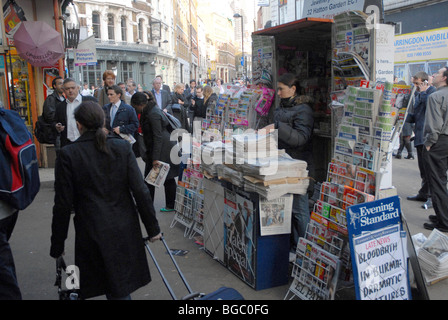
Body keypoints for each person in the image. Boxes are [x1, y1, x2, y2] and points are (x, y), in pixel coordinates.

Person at [50, 101, 162, 300]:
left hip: (90, 228)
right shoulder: (121, 147)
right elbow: (140, 191)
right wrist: (153, 229)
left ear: (79, 124)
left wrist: (58, 244)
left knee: (85, 282)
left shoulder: (69, 154)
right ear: (103, 121)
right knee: (119, 286)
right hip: (124, 225)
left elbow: (62, 204)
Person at [270, 73, 314, 260]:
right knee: (286, 209)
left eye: (281, 89)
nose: (278, 93)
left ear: (293, 89)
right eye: (277, 89)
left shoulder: (304, 110)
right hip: (282, 165)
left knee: (299, 211)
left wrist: (277, 127)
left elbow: (300, 138)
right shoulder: (281, 108)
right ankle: (292, 248)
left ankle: (305, 251)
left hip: (297, 167)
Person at [132, 92, 180, 213]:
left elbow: (157, 136)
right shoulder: (150, 110)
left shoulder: (152, 114)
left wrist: (155, 158)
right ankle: (158, 205)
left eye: (134, 106)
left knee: (157, 178)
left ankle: (163, 205)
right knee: (153, 178)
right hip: (160, 147)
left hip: (163, 148)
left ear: (140, 104)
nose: (134, 109)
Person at [422, 66, 448, 232]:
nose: (434, 75)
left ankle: (443, 221)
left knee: (436, 181)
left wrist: (430, 142)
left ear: (445, 77)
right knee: (441, 180)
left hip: (438, 142)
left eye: (438, 73)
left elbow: (434, 125)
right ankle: (442, 214)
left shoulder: (436, 96)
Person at [406, 71, 436, 209]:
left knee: (429, 169)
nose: (416, 86)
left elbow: (430, 107)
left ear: (424, 82)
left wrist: (423, 92)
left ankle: (431, 197)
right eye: (414, 84)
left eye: (417, 84)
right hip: (419, 135)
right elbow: (417, 114)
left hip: (427, 136)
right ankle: (423, 193)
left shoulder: (431, 93)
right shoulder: (419, 94)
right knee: (423, 169)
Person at [54, 78, 97, 149]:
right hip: (68, 144)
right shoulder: (60, 106)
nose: (70, 91)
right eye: (67, 89)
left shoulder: (90, 101)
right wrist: (57, 126)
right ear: (64, 90)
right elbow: (55, 121)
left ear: (78, 88)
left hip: (88, 142)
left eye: (73, 88)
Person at [42, 76, 65, 144]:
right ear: (54, 86)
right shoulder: (51, 99)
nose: (62, 85)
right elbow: (49, 116)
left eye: (63, 83)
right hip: (56, 132)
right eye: (60, 83)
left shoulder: (63, 98)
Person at [395, 80, 414, 160]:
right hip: (406, 117)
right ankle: (401, 153)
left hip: (406, 117)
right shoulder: (409, 95)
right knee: (403, 136)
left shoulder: (406, 95)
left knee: (405, 137)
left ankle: (410, 154)